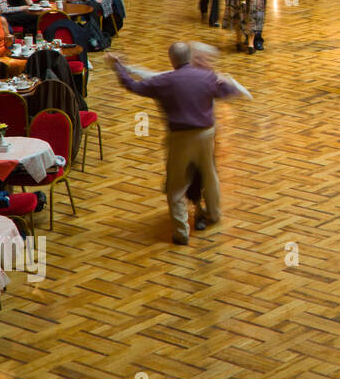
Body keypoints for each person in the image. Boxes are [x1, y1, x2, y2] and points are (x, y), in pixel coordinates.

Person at [107, 42, 249, 244]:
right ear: (191, 57)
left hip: (180, 138)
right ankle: (214, 215)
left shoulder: (165, 81)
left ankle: (181, 232)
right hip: (206, 134)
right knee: (210, 175)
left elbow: (133, 86)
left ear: (171, 60)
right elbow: (229, 92)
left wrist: (119, 68)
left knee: (176, 186)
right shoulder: (208, 77)